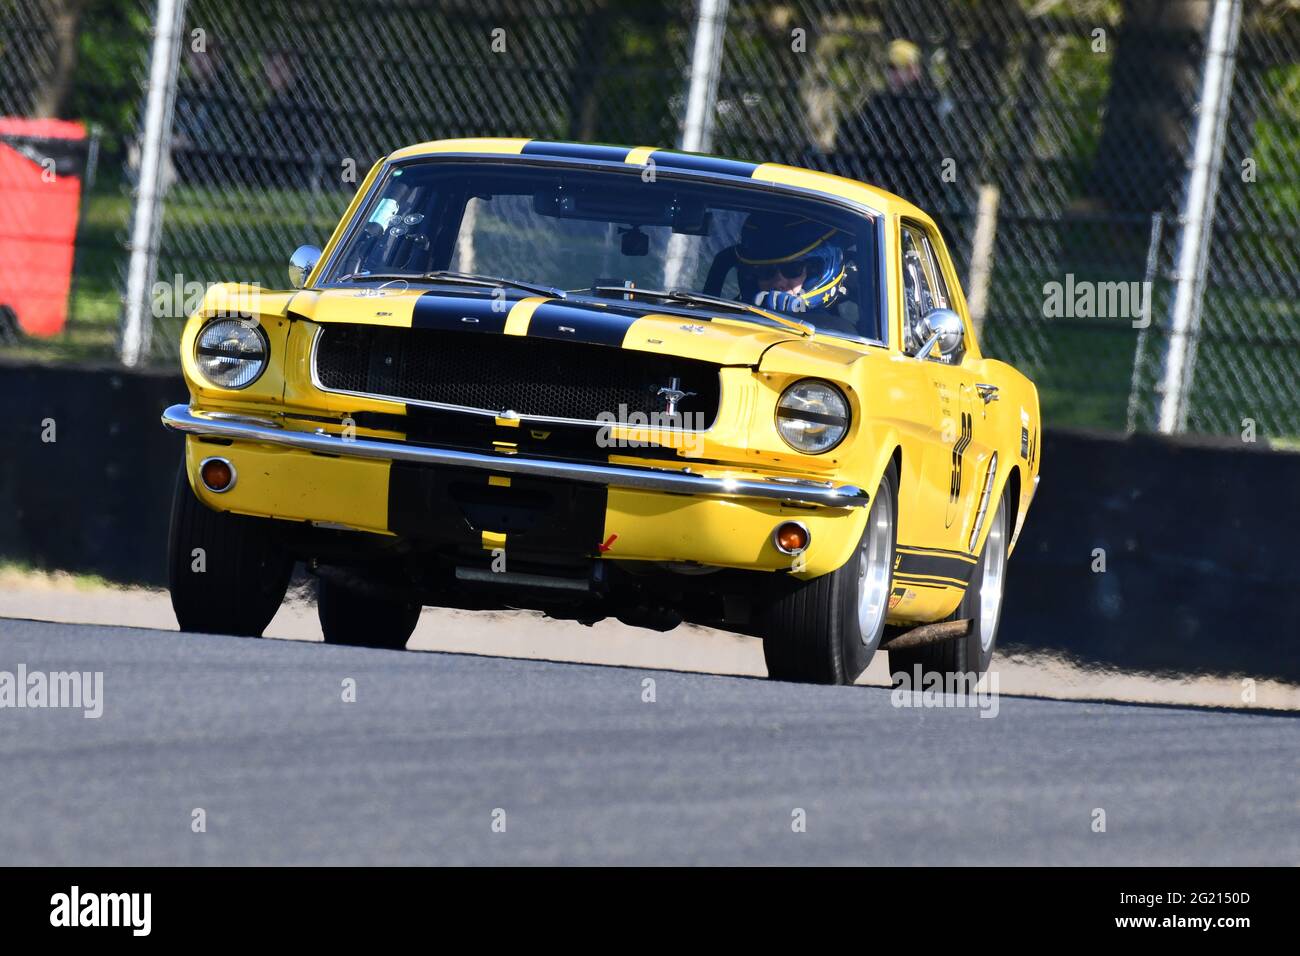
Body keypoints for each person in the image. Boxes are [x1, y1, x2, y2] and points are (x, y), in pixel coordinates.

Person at [736, 212, 849, 316]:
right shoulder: (730, 316)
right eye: (765, 271)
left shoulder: (836, 332)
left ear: (815, 271)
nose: (778, 282)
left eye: (792, 269)